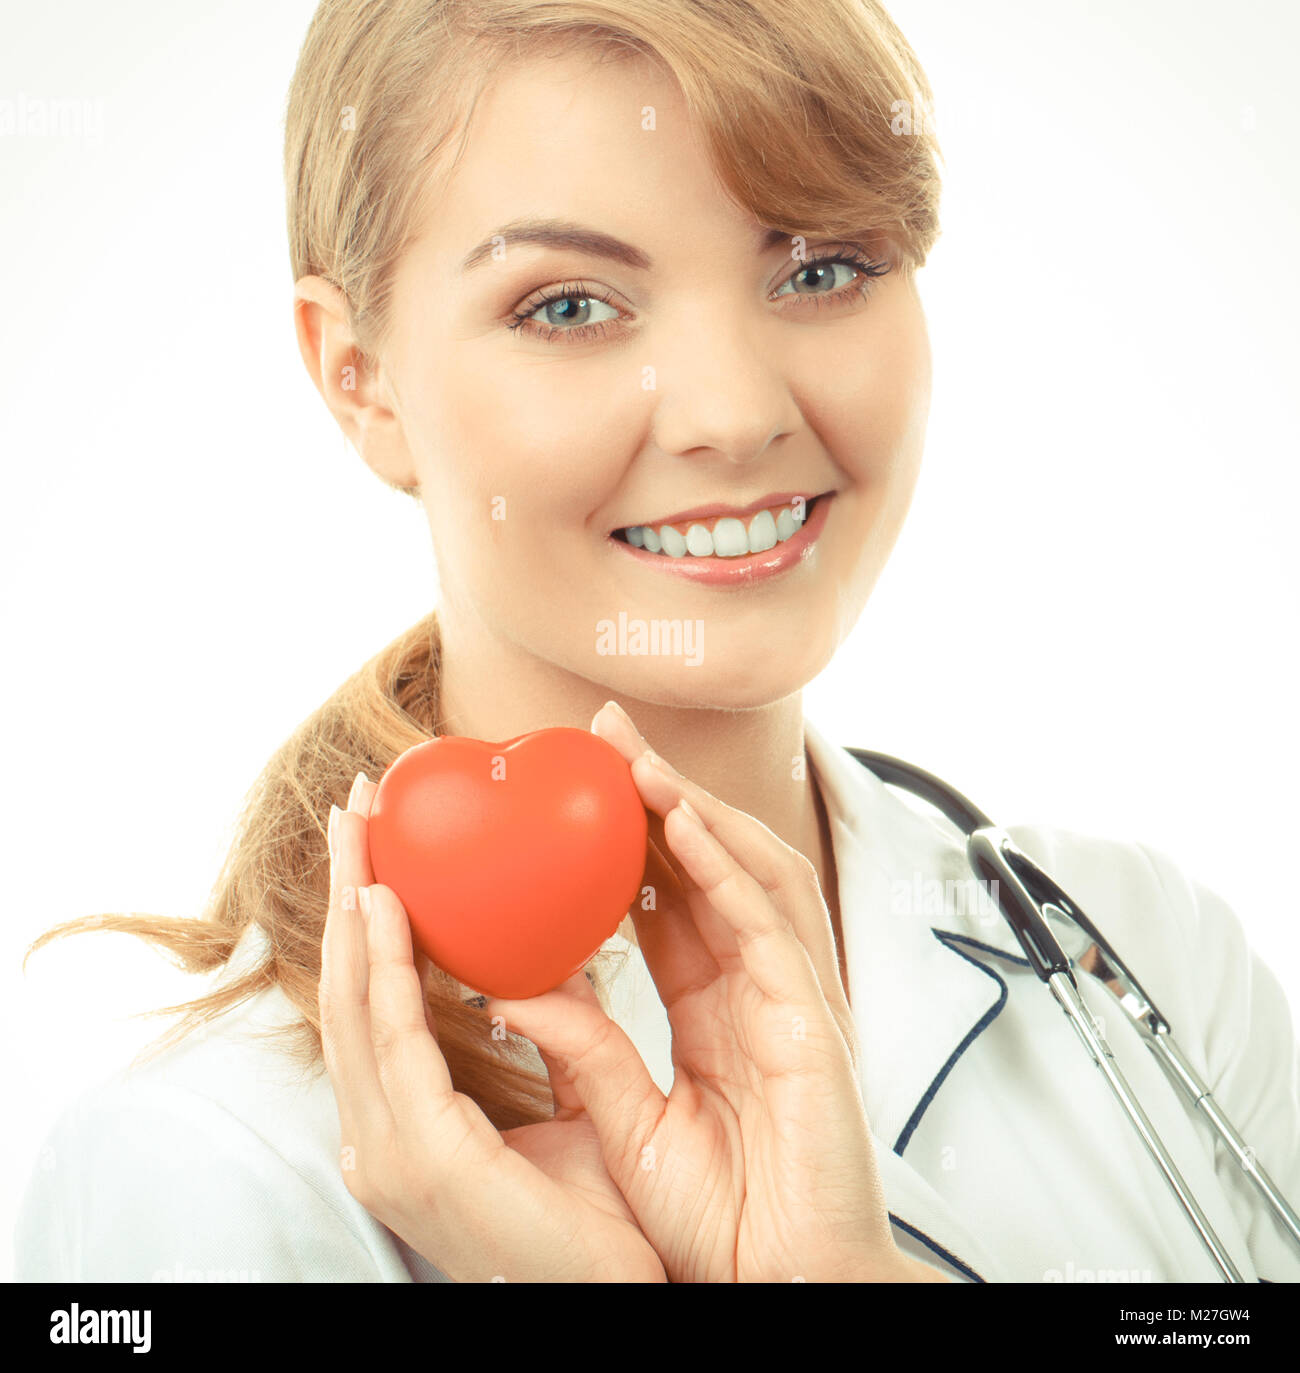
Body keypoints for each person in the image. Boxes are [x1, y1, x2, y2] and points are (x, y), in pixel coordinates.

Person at [14, 0, 1299, 1284]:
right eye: (570, 306)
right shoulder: (203, 1164)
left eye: (820, 268)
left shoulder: (1141, 958)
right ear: (361, 374)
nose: (736, 414)